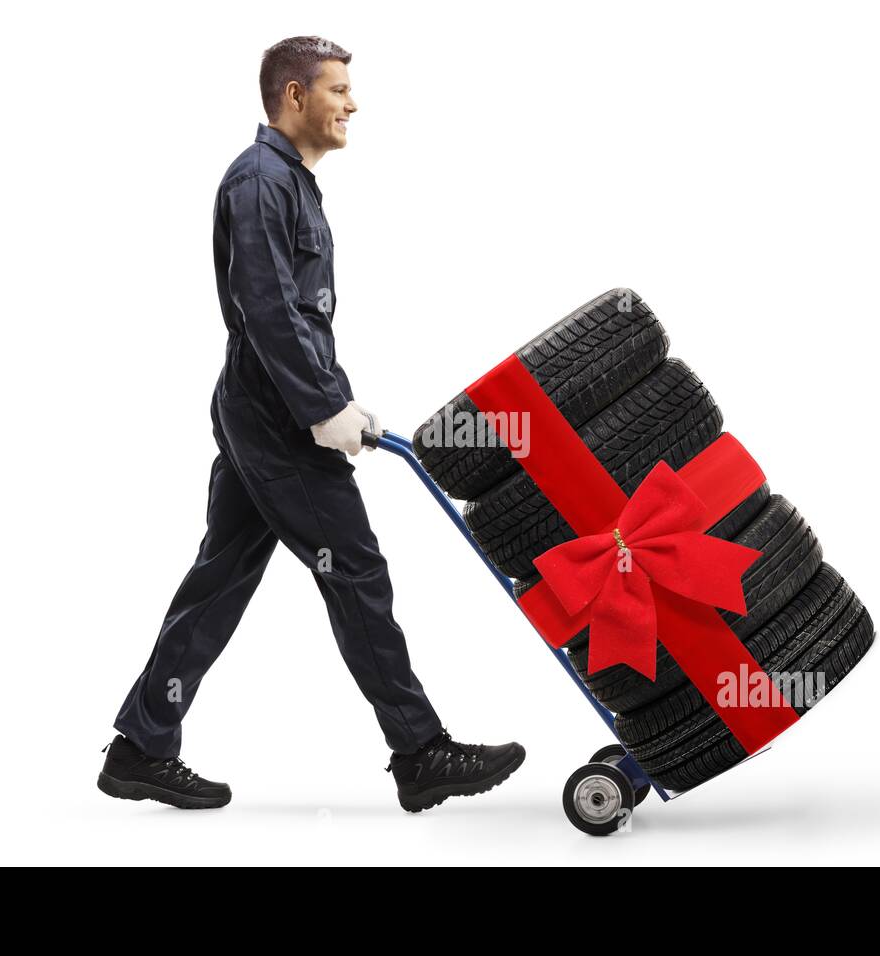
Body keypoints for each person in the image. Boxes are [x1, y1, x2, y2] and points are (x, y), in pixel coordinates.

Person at [97, 36, 525, 813]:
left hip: (265, 412)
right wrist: (322, 409)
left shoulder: (287, 183)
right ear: (294, 96)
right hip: (277, 423)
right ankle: (421, 751)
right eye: (337, 89)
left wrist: (338, 396)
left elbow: (299, 317)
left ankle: (140, 746)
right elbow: (266, 310)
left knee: (220, 578)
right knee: (356, 571)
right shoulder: (260, 182)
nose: (352, 103)